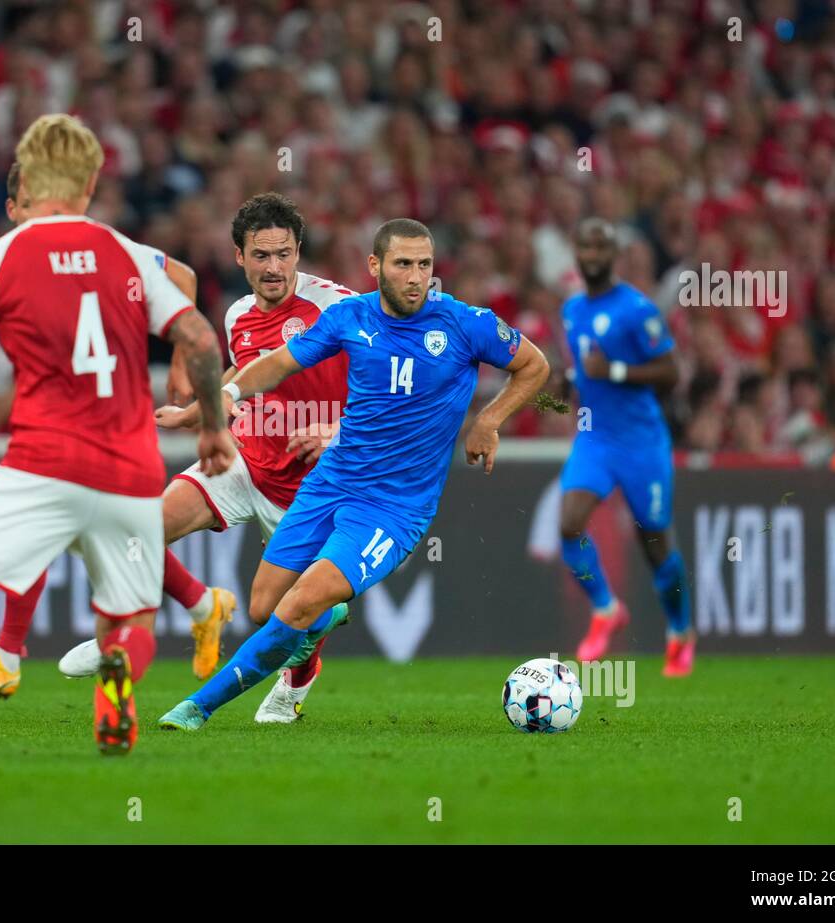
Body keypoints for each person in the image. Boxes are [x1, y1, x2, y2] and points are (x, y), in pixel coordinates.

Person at [0, 114, 236, 757]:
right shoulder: (131, 255)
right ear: (91, 184)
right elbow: (199, 337)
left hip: (40, 465)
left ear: (27, 183)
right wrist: (213, 427)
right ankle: (115, 689)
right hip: (128, 467)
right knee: (128, 623)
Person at [158, 218, 550, 730]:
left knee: (297, 607)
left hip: (392, 508)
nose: (416, 277)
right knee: (263, 606)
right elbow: (279, 364)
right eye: (403, 264)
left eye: (424, 265)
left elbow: (535, 365)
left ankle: (197, 707)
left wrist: (489, 420)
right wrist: (227, 395)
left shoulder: (463, 323)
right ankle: (330, 613)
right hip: (329, 484)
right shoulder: (349, 317)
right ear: (375, 266)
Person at [53, 191, 356, 723]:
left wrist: (335, 427)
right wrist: (198, 410)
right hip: (245, 464)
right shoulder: (238, 314)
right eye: (260, 255)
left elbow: (395, 385)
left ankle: (295, 683)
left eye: (283, 254)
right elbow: (248, 375)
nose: (273, 267)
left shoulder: (337, 307)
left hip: (315, 491)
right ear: (239, 256)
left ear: (299, 252)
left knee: (295, 616)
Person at [0, 162, 229, 701]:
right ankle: (201, 604)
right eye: (35, 201)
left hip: (111, 421)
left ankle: (8, 657)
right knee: (108, 533)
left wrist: (183, 364)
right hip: (65, 425)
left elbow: (184, 279)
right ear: (13, 210)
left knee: (40, 523)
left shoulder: (108, 249)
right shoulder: (8, 263)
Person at [556, 218, 693, 676]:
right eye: (585, 245)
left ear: (613, 255)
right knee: (569, 524)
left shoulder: (638, 309)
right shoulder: (572, 309)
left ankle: (679, 630)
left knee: (654, 542)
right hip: (595, 437)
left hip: (641, 442)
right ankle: (605, 608)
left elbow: (671, 373)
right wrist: (569, 381)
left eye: (601, 245)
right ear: (576, 253)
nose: (592, 254)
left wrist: (613, 371)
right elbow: (585, 370)